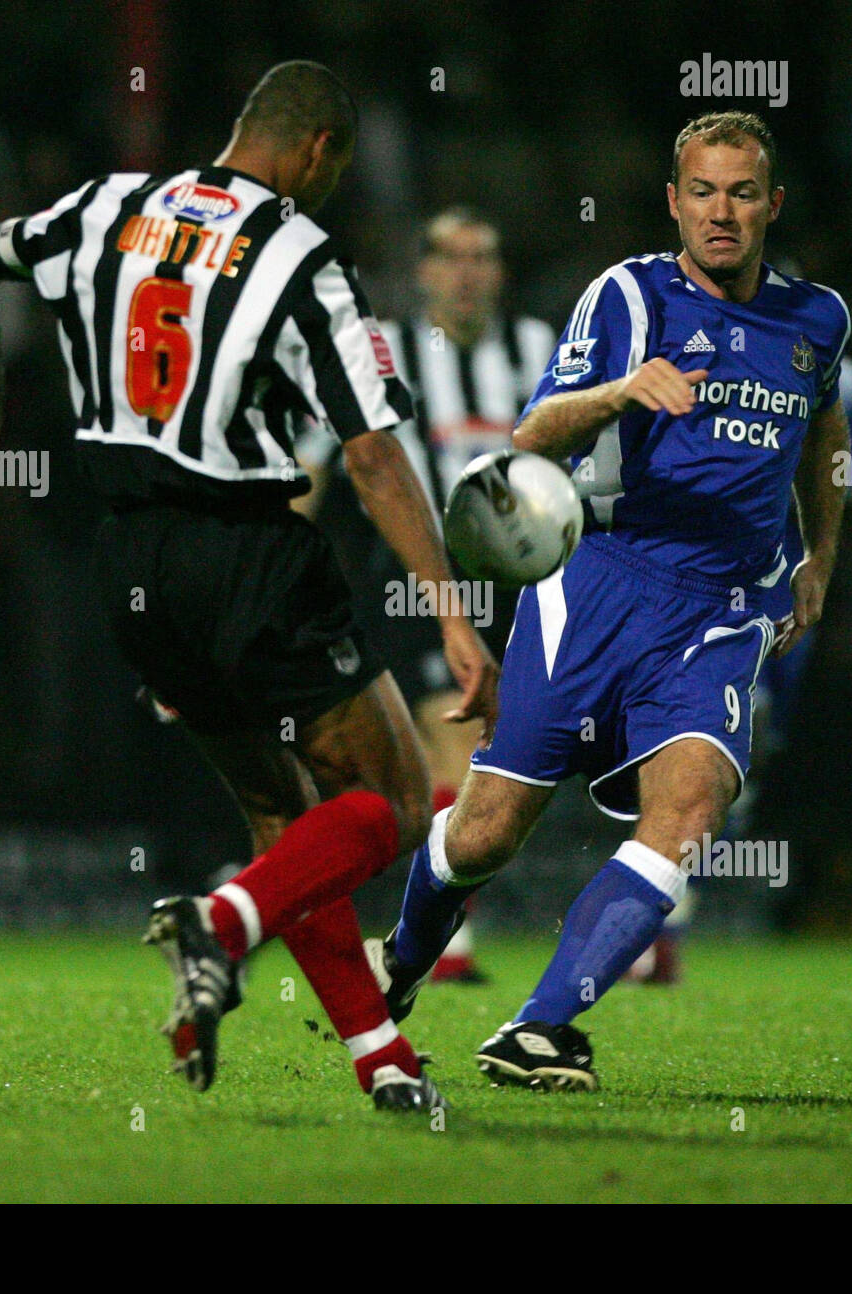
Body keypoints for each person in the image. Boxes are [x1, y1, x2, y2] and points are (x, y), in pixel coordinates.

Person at [0, 61, 497, 1112]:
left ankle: (380, 1057)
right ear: (320, 151)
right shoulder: (298, 253)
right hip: (247, 552)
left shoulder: (104, 205)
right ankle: (221, 922)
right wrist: (453, 613)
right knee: (395, 798)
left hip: (130, 568)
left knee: (281, 817)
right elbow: (372, 454)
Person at [367, 111, 851, 1089]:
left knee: (693, 803)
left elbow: (826, 426)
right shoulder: (629, 295)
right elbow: (533, 432)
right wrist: (622, 392)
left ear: (773, 204)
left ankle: (540, 1025)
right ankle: (401, 961)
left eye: (742, 193)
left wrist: (819, 556)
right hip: (600, 585)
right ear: (674, 201)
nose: (722, 213)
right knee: (488, 828)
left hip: (724, 608)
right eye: (702, 192)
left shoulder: (818, 320)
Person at [300, 208, 555, 982]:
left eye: (483, 256)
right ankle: (442, 941)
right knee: (453, 735)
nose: (467, 272)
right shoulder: (383, 350)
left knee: (490, 755)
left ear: (500, 272)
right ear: (422, 270)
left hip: (525, 581)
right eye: (450, 256)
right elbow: (313, 463)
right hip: (418, 576)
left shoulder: (538, 347)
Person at [629, 353, 852, 983]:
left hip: (786, 593)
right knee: (702, 735)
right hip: (701, 582)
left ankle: (665, 915)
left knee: (745, 755)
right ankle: (654, 923)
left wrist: (825, 569)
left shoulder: (838, 373)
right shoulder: (692, 352)